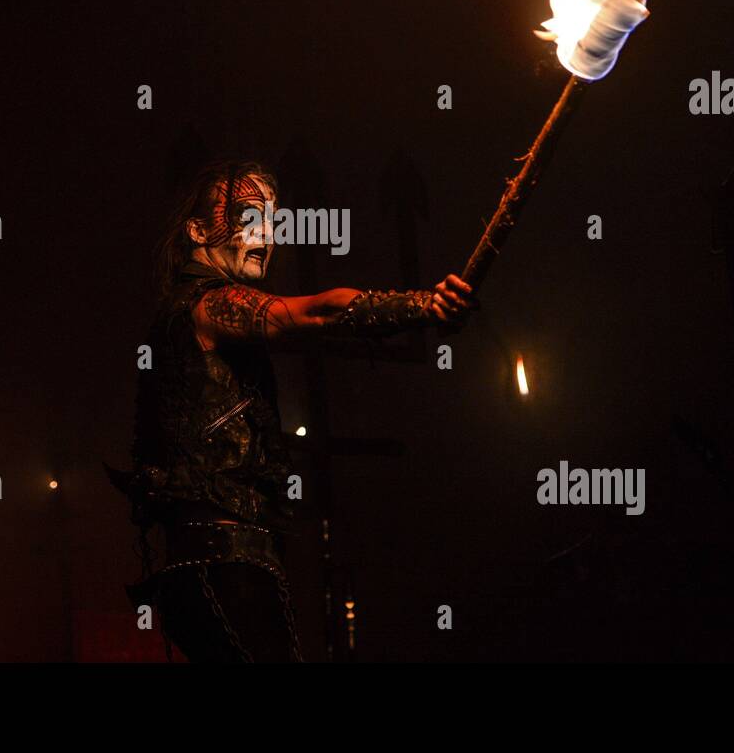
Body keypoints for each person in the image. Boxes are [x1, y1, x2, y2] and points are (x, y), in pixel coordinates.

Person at [108, 159, 475, 662]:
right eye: (246, 218)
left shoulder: (198, 311)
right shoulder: (205, 305)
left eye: (270, 221)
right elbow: (315, 310)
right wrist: (422, 305)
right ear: (198, 230)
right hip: (220, 564)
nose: (266, 234)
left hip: (225, 562)